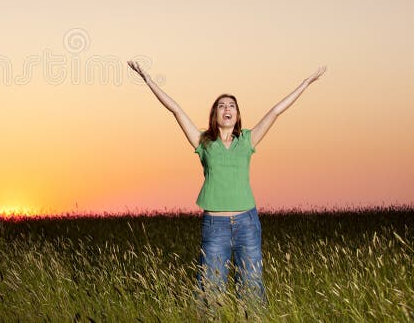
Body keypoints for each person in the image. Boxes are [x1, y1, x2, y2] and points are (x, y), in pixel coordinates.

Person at [127, 61, 326, 313]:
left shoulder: (247, 140)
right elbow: (176, 110)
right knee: (209, 292)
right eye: (221, 106)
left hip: (247, 224)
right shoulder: (204, 141)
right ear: (215, 115)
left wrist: (306, 83)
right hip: (215, 227)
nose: (227, 109)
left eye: (231, 105)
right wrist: (147, 78)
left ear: (237, 114)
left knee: (252, 290)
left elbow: (276, 111)